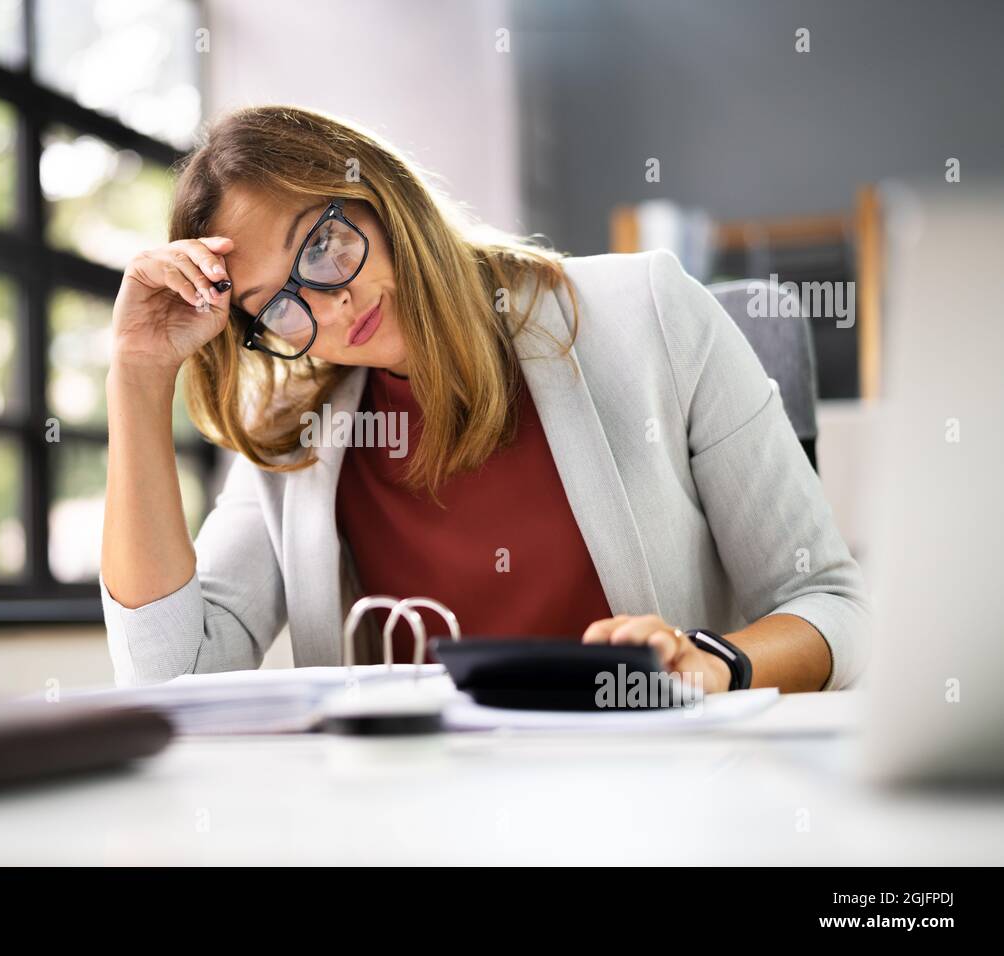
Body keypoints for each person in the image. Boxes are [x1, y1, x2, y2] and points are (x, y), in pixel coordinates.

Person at [99, 104, 869, 692]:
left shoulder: (650, 314)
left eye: (324, 244)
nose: (328, 308)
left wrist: (709, 665)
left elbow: (830, 604)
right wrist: (137, 378)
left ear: (381, 195)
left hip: (655, 803)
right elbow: (173, 677)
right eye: (278, 303)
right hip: (419, 819)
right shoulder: (296, 435)